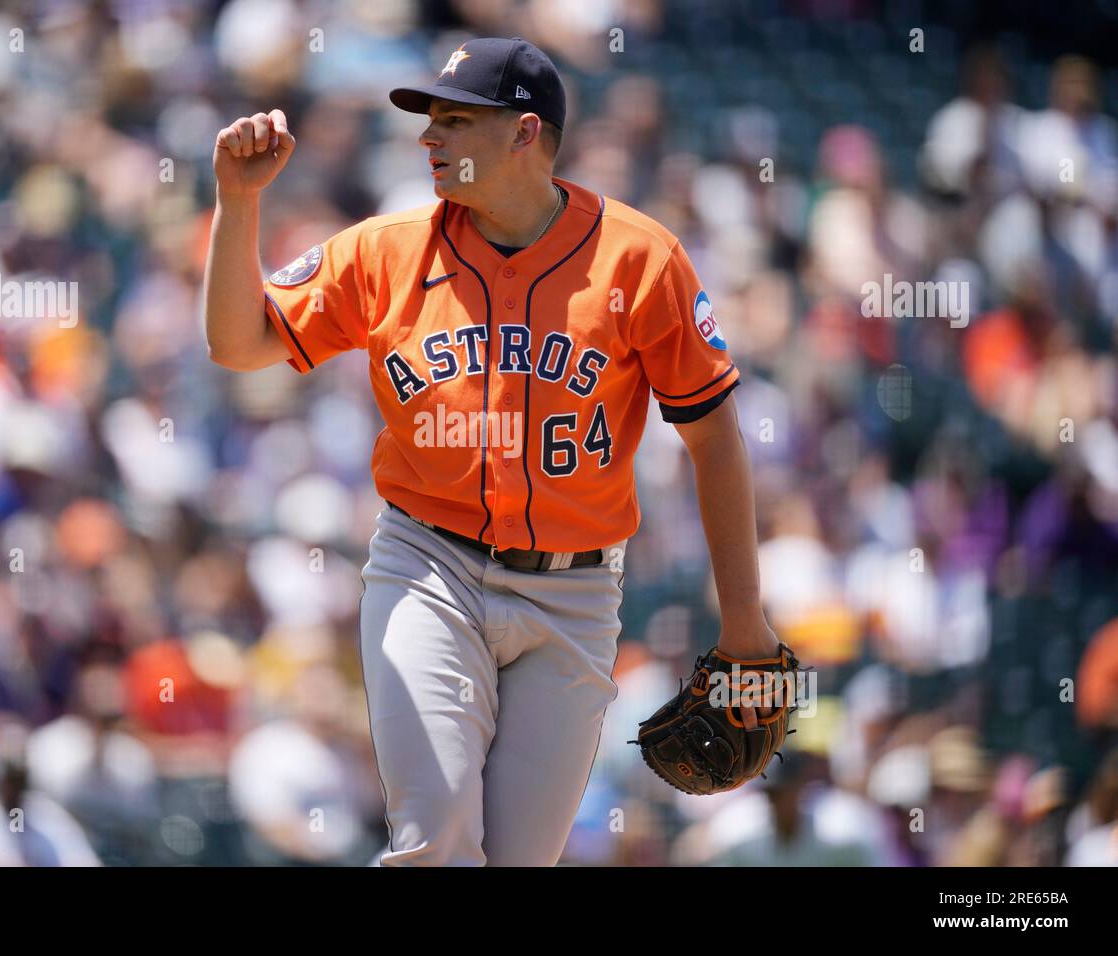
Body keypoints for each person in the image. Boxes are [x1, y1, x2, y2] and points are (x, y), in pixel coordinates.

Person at [203, 36, 782, 866]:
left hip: (574, 595)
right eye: (429, 119)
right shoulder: (389, 248)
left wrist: (746, 628)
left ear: (525, 134)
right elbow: (236, 343)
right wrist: (238, 203)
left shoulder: (639, 259)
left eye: (455, 120)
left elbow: (715, 440)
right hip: (426, 567)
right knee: (435, 838)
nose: (429, 137)